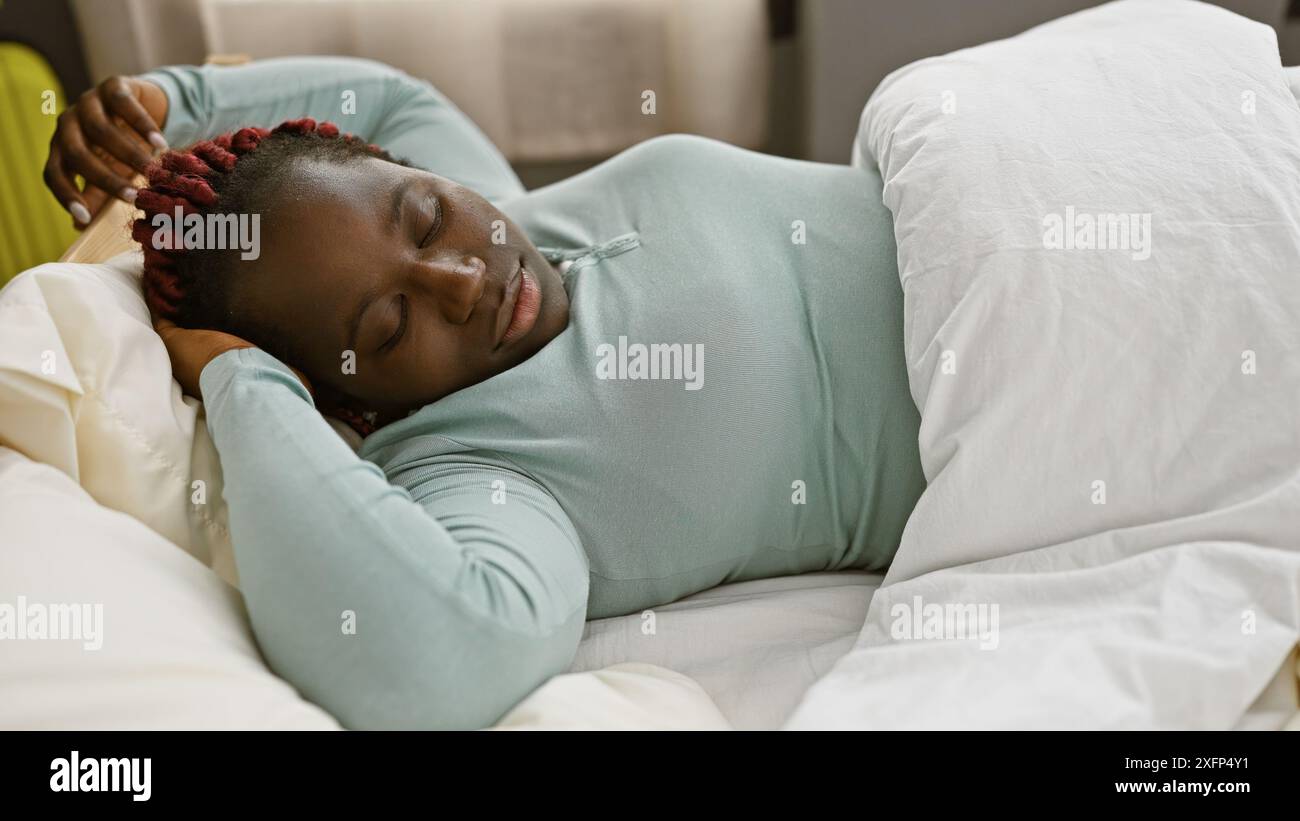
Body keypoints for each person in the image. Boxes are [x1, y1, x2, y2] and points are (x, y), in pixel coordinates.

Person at [45, 57, 925, 729]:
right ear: (343, 404)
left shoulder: (515, 213)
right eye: (387, 330)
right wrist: (245, 381)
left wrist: (172, 100)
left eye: (425, 215)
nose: (462, 279)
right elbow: (440, 654)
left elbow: (394, 105)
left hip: (954, 182)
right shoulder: (482, 474)